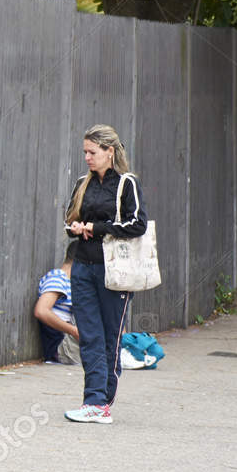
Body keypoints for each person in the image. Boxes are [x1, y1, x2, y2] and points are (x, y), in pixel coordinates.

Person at [62, 124, 148, 423]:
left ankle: (102, 401)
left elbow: (138, 225)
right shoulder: (82, 183)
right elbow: (68, 219)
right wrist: (76, 228)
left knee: (111, 335)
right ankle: (95, 401)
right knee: (89, 335)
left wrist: (97, 228)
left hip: (115, 270)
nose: (87, 157)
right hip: (83, 267)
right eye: (85, 152)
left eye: (93, 152)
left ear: (109, 152)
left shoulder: (127, 184)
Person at [35, 243, 81, 365]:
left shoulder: (72, 282)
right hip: (61, 346)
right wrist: (73, 331)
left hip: (69, 342)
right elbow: (41, 311)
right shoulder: (58, 277)